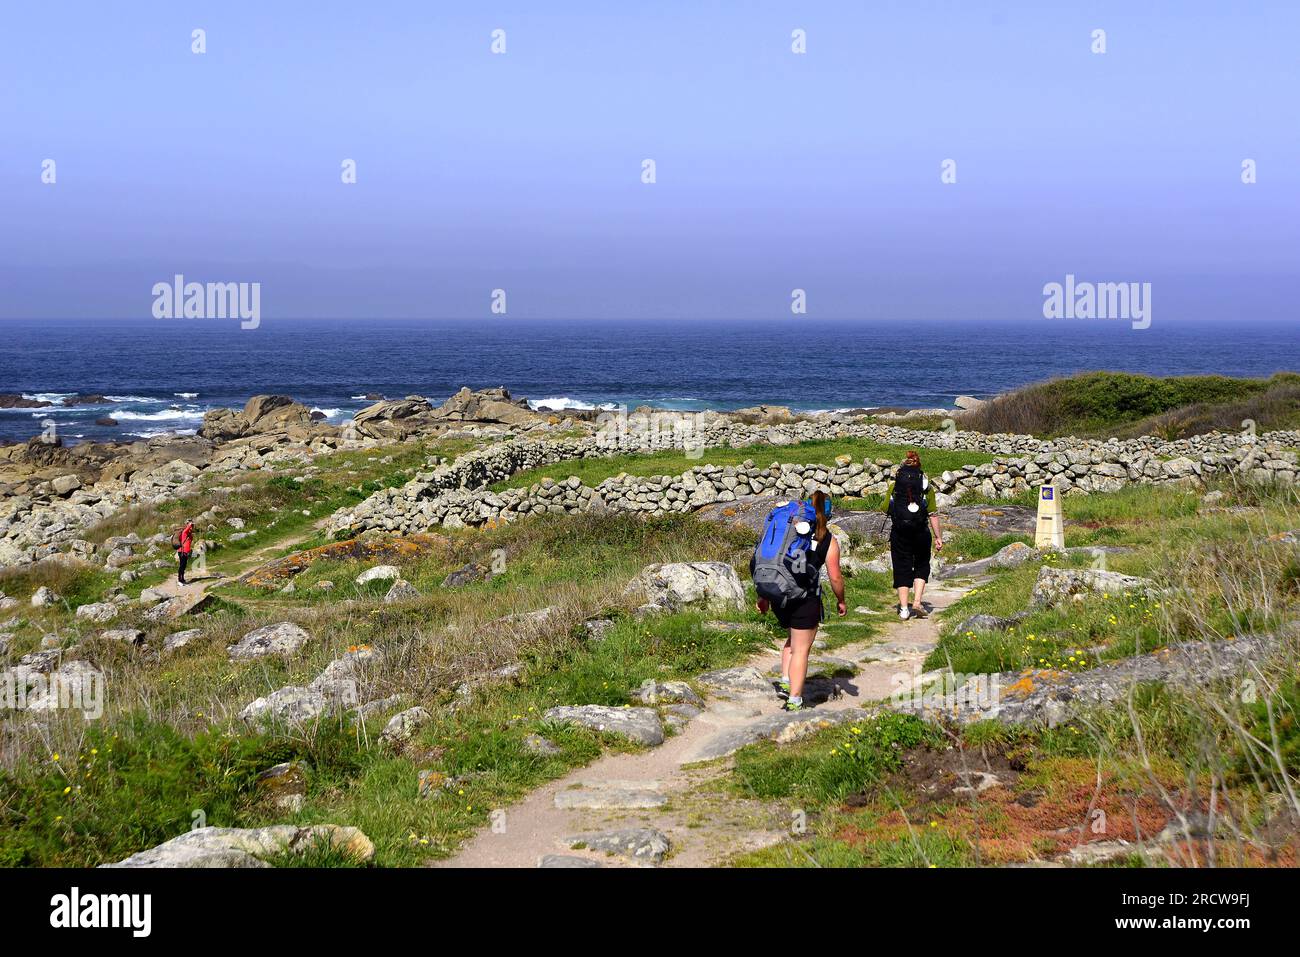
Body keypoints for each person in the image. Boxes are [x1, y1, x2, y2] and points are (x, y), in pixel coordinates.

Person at [755, 490, 847, 712]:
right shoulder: (828, 540)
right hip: (806, 598)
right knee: (801, 649)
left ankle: (786, 681)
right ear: (827, 516)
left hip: (779, 594)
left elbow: (766, 557)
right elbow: (835, 577)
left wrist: (763, 595)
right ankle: (795, 700)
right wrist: (841, 600)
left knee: (791, 640)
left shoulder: (789, 533)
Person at [882, 451, 942, 619]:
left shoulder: (895, 486)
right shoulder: (926, 488)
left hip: (900, 533)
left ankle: (903, 608)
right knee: (922, 565)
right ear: (919, 467)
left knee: (901, 567)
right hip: (921, 532)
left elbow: (885, 508)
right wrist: (938, 537)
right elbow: (933, 514)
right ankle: (916, 601)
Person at [175, 519, 195, 585]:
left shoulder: (189, 534)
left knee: (184, 566)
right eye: (191, 526)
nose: (192, 527)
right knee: (181, 565)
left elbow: (190, 540)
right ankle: (179, 580)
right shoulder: (184, 532)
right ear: (187, 525)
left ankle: (182, 579)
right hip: (182, 551)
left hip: (186, 552)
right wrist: (189, 525)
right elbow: (187, 529)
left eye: (193, 526)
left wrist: (191, 529)